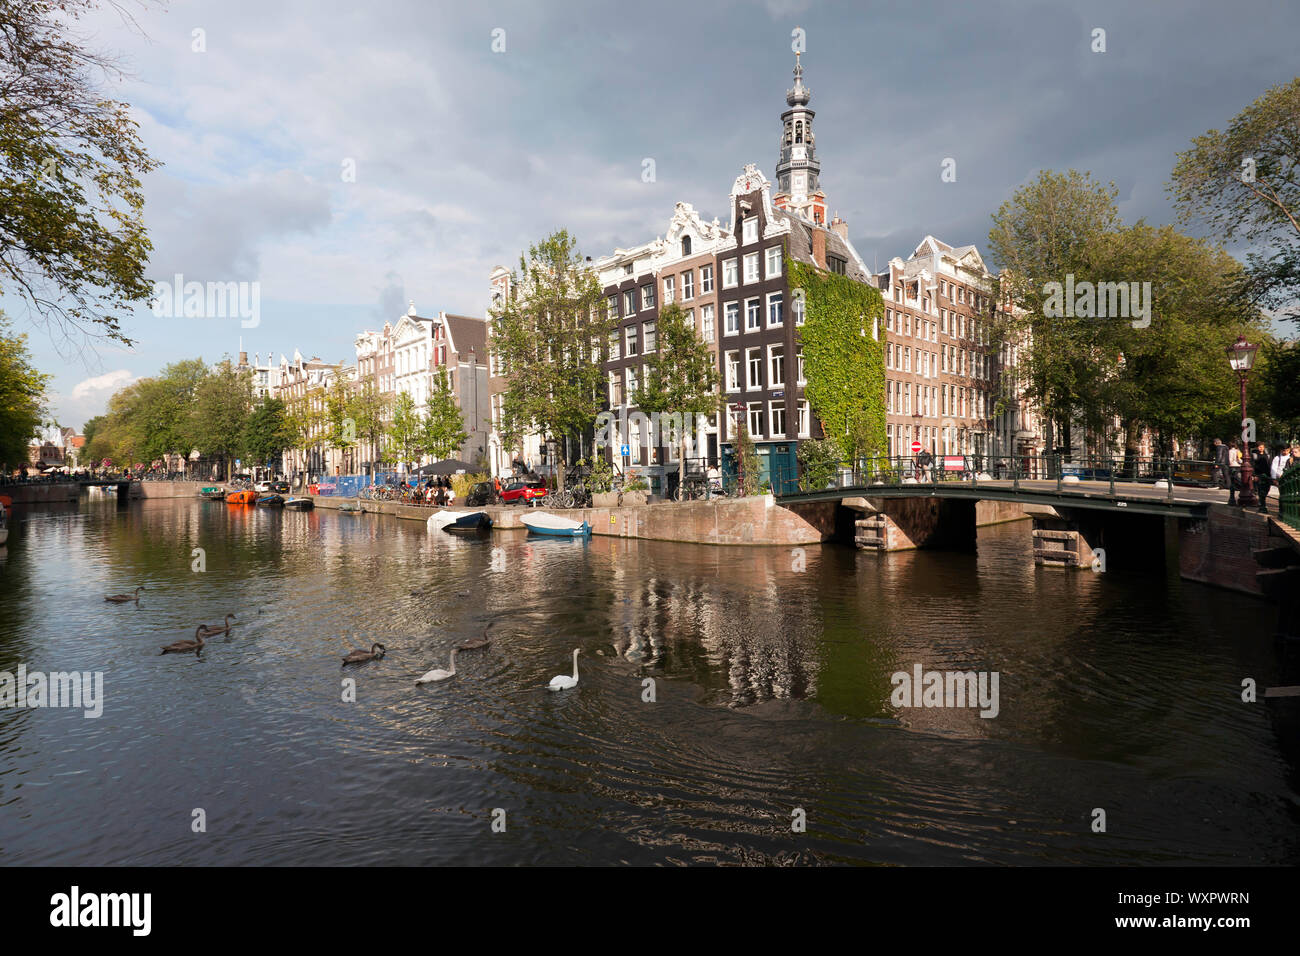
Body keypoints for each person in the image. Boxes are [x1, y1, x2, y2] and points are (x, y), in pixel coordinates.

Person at [1252, 442, 1273, 514]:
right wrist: (1254, 475)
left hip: (1267, 475)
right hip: (1259, 474)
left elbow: (1270, 465)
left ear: (1264, 447)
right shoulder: (1255, 455)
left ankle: (1262, 501)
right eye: (1259, 447)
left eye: (1262, 447)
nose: (1261, 448)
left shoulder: (1268, 455)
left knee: (1267, 488)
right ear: (1257, 447)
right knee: (1260, 489)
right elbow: (1253, 465)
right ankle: (1262, 504)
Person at [1227, 441, 1243, 505]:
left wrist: (1229, 464)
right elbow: (1241, 460)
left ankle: (1232, 498)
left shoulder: (1230, 451)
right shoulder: (1238, 451)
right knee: (1237, 479)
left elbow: (1230, 459)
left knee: (1232, 481)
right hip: (1238, 466)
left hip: (1232, 466)